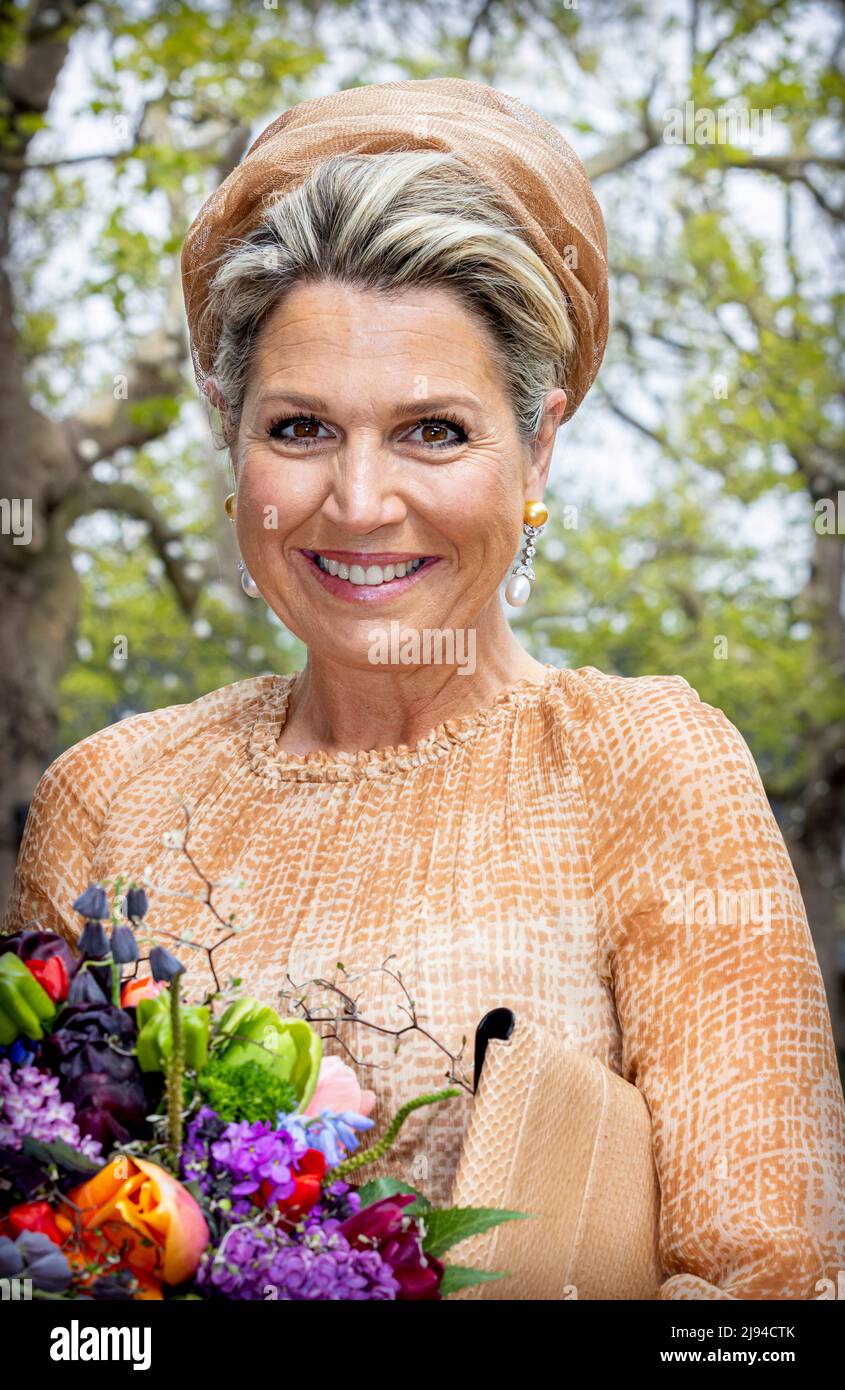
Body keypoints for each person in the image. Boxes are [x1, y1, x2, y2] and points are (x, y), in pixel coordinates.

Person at [4, 78, 843, 1300]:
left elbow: (773, 1294)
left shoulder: (650, 765)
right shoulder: (106, 799)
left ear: (537, 445)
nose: (357, 501)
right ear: (229, 444)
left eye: (433, 432)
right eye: (298, 429)